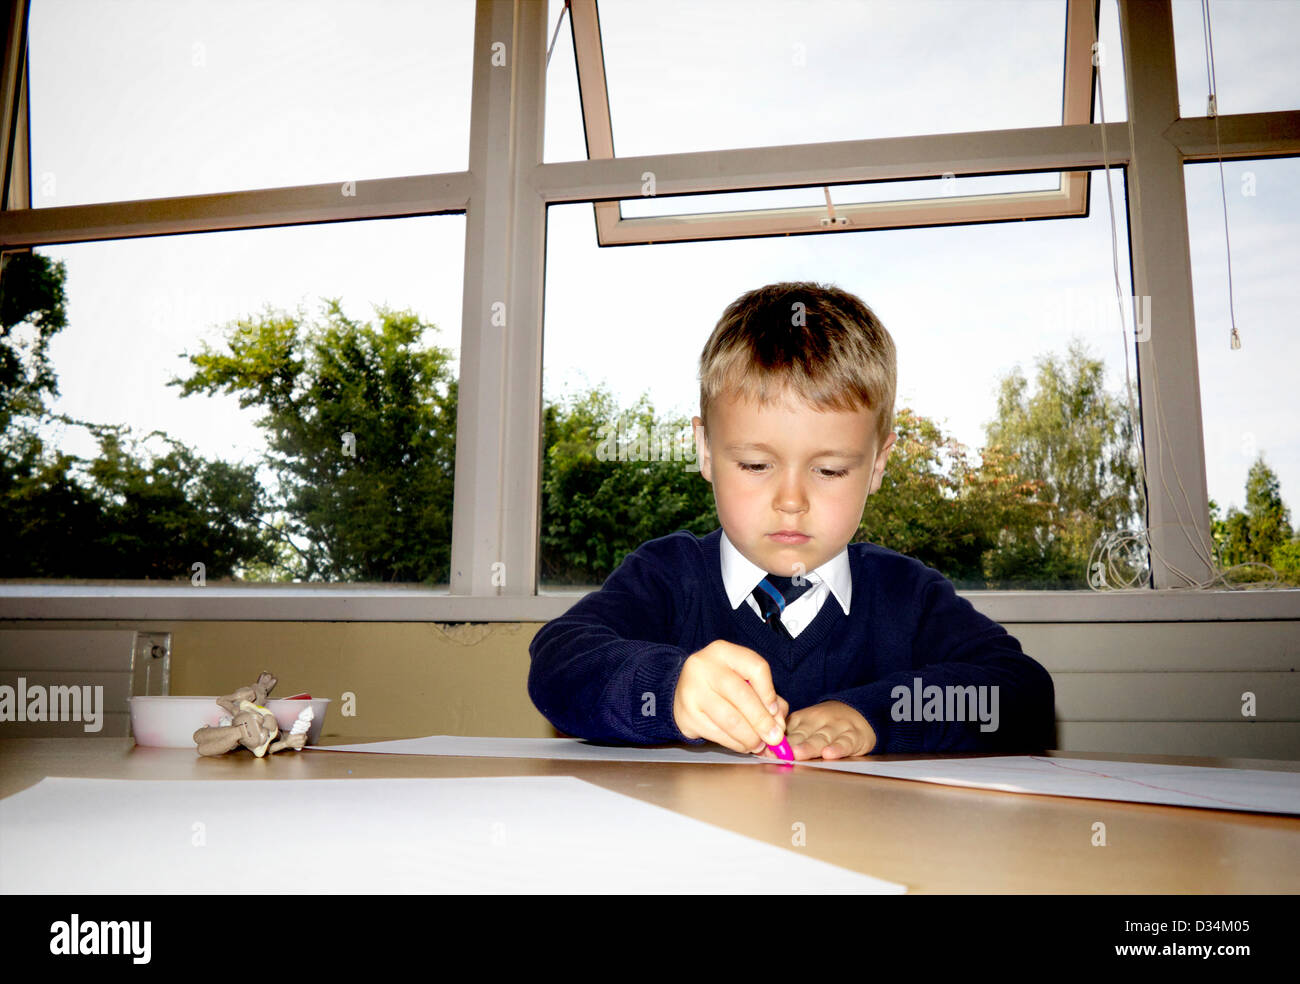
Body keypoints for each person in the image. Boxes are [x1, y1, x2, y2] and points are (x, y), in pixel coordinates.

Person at [528, 282, 1055, 760]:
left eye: (829, 469)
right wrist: (671, 691)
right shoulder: (668, 576)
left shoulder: (906, 597)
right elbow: (556, 664)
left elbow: (1020, 693)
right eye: (756, 465)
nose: (791, 500)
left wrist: (875, 714)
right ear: (705, 451)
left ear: (877, 465)